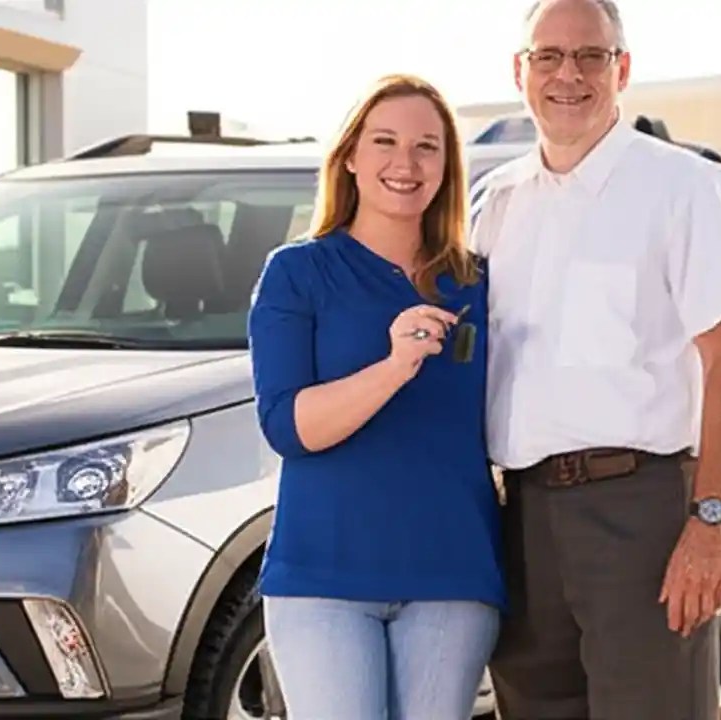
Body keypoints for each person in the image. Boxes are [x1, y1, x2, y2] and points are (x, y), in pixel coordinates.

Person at [469, 1, 721, 718]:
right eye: (548, 56)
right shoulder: (494, 205)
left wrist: (711, 521)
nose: (569, 74)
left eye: (591, 56)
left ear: (622, 69)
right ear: (520, 71)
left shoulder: (681, 189)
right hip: (522, 520)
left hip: (645, 516)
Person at [247, 73, 505, 719]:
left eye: (428, 147)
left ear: (448, 167)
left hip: (451, 575)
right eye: (385, 140)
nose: (406, 162)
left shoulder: (478, 282)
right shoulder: (296, 273)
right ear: (351, 158)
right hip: (322, 579)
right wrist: (394, 366)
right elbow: (288, 427)